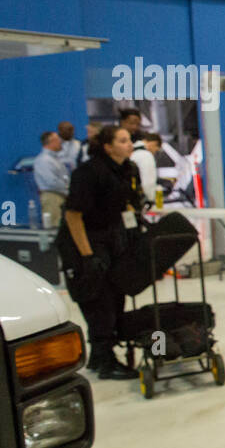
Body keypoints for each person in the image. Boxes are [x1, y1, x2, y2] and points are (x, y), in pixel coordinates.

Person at [57, 125, 142, 380]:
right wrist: (87, 256)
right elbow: (73, 216)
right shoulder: (89, 172)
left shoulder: (127, 169)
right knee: (99, 300)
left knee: (116, 295)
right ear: (108, 146)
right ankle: (106, 361)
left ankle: (98, 355)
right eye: (123, 140)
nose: (129, 144)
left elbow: (126, 204)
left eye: (129, 140)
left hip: (110, 238)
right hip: (83, 241)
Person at [33, 130, 70, 228]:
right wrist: (68, 189)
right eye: (58, 139)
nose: (61, 142)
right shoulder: (43, 160)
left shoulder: (55, 160)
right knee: (54, 227)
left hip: (60, 197)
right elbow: (51, 182)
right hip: (52, 198)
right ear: (51, 141)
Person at [130, 132, 161, 205]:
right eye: (156, 150)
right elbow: (148, 183)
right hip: (141, 201)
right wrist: (151, 201)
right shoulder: (146, 155)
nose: (155, 152)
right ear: (154, 143)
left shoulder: (133, 152)